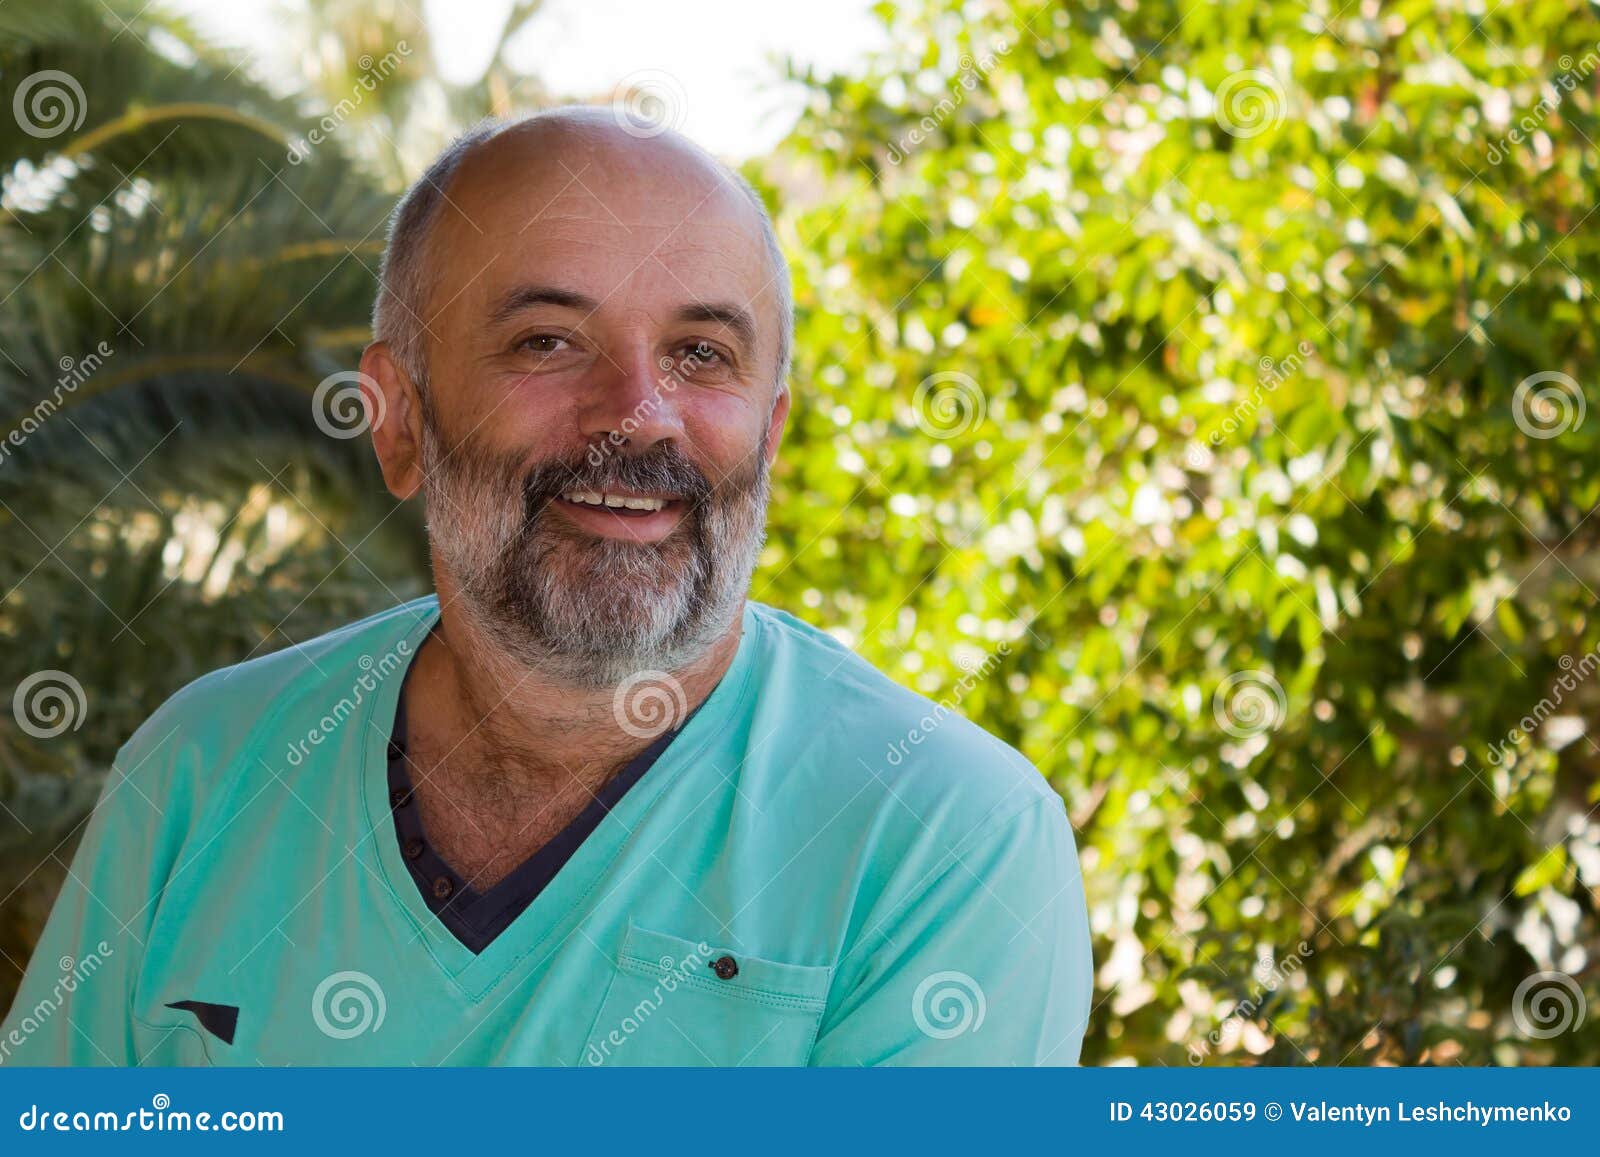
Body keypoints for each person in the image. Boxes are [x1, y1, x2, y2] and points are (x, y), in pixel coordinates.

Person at [1, 108, 1091, 1066]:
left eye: (702, 353)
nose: (637, 411)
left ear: (769, 430)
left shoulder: (944, 836)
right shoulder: (205, 771)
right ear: (400, 420)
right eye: (548, 340)